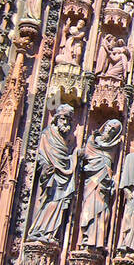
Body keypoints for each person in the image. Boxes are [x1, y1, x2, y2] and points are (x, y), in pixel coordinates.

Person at [26, 104, 76, 244]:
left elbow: (66, 157)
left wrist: (75, 157)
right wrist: (44, 168)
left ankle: (49, 233)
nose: (65, 122)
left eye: (68, 120)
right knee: (50, 202)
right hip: (50, 177)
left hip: (63, 178)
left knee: (58, 204)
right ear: (56, 118)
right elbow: (41, 155)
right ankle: (39, 230)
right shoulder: (47, 135)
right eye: (63, 119)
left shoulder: (68, 139)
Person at [78, 119, 123, 248]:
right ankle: (86, 237)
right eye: (109, 126)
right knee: (89, 207)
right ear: (104, 125)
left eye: (113, 130)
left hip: (104, 186)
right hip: (91, 183)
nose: (110, 130)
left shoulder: (114, 147)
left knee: (103, 210)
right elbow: (84, 157)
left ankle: (97, 241)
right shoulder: (92, 142)